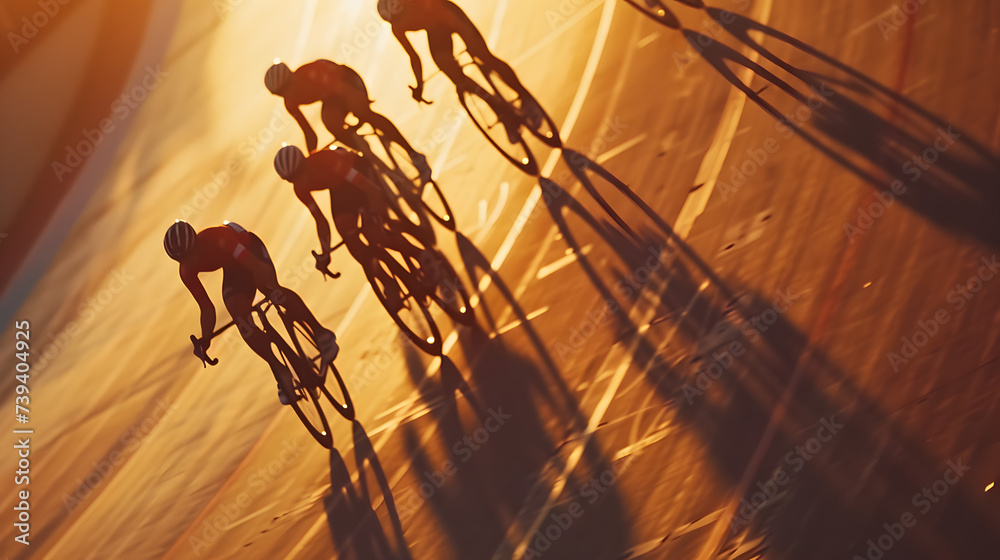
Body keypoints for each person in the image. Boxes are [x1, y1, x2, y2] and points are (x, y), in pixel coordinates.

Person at [164, 220, 339, 404]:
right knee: (241, 320)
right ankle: (280, 371)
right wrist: (205, 339)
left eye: (190, 256)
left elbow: (254, 266)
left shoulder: (219, 239)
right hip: (232, 269)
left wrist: (267, 288)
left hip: (250, 249)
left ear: (197, 244)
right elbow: (206, 307)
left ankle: (321, 333)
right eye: (183, 260)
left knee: (271, 289)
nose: (190, 262)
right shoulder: (186, 270)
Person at [272, 144, 434, 311]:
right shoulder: (300, 189)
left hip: (359, 171)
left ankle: (421, 255)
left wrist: (373, 213)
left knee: (375, 234)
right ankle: (388, 283)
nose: (297, 181)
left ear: (306, 163)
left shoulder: (327, 160)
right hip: (339, 188)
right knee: (349, 238)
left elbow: (371, 190)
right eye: (291, 179)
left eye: (298, 174)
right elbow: (320, 220)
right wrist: (325, 252)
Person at [376, 0, 542, 132]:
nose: (405, 20)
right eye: (399, 20)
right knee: (452, 73)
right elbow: (413, 56)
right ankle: (502, 112)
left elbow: (451, 18)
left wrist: (471, 43)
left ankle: (525, 97)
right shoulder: (397, 27)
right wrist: (419, 86)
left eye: (405, 15)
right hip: (435, 31)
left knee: (483, 55)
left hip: (448, 14)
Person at [264, 59, 431, 183]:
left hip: (347, 81)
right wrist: (312, 158)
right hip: (332, 97)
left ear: (293, 77)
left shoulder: (311, 74)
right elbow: (309, 132)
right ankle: (366, 153)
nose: (287, 95)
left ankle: (414, 154)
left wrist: (360, 113)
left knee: (364, 113)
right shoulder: (290, 103)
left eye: (287, 89)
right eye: (281, 94)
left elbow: (344, 91)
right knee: (330, 122)